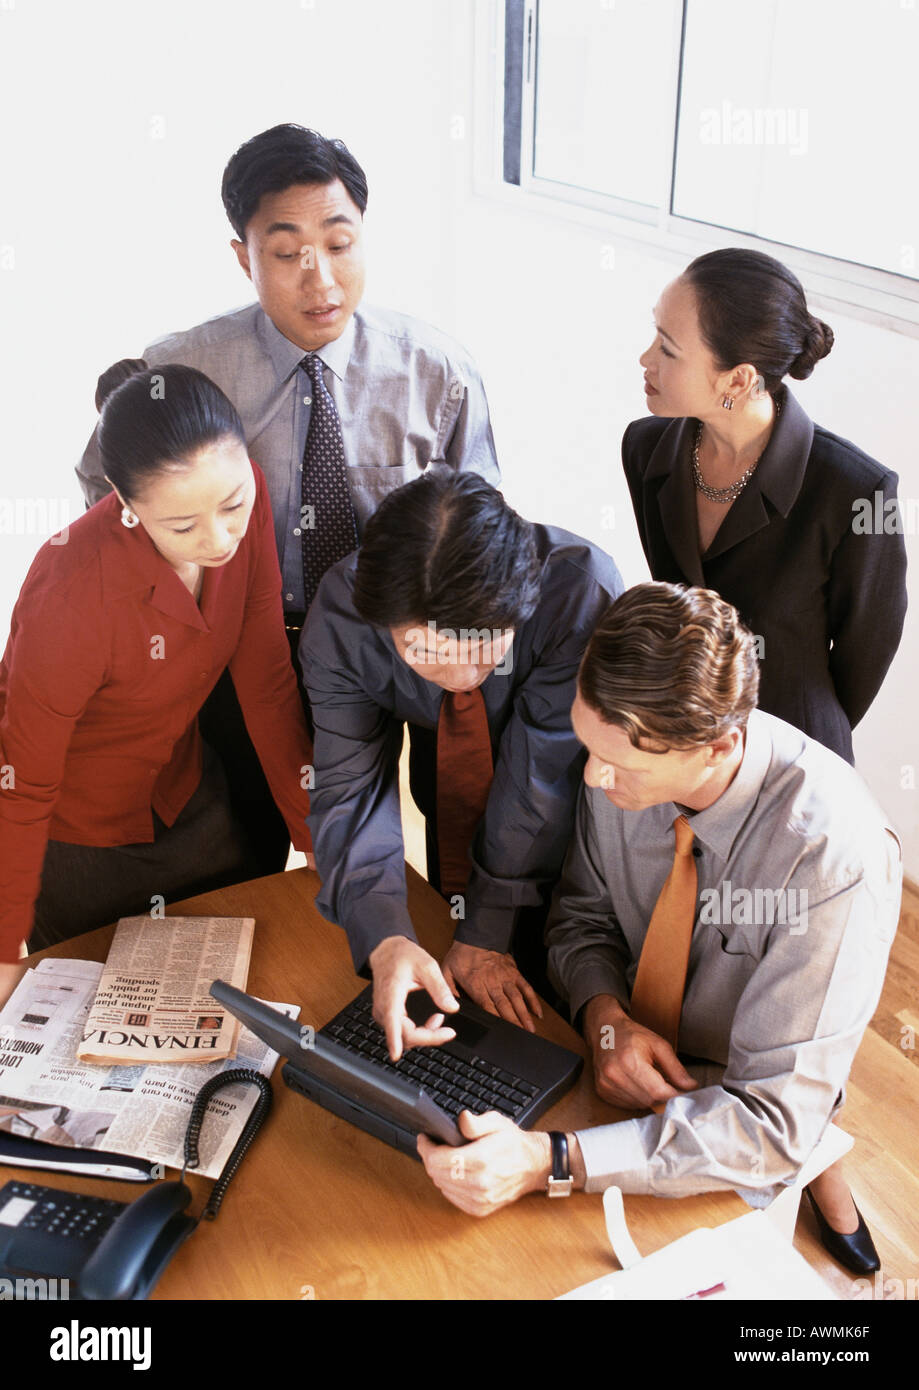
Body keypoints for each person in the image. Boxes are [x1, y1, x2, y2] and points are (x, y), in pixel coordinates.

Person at [417, 583, 900, 1277]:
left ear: (718, 746)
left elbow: (770, 1123)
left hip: (732, 1115)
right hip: (611, 1073)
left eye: (618, 764)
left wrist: (551, 1161)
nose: (590, 779)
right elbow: (580, 915)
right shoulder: (623, 766)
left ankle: (829, 1185)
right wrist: (604, 1014)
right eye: (587, 746)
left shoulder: (833, 859)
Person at [0, 363, 313, 1009]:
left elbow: (267, 683)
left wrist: (317, 843)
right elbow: (23, 782)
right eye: (181, 527)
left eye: (232, 507)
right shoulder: (71, 592)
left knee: (247, 990)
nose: (220, 537)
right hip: (75, 838)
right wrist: (5, 950)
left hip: (186, 798)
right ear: (122, 499)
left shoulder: (239, 491)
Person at [300, 469, 623, 1061]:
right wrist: (385, 937)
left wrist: (484, 933)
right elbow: (351, 789)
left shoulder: (578, 594)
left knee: (562, 975)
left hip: (572, 809)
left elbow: (540, 781)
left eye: (481, 652)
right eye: (421, 651)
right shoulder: (343, 618)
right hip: (448, 779)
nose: (455, 675)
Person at [622, 247, 907, 764]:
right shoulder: (644, 449)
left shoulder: (860, 491)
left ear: (738, 379)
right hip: (683, 735)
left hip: (794, 750)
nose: (645, 359)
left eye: (668, 348)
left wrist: (799, 732)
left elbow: (867, 654)